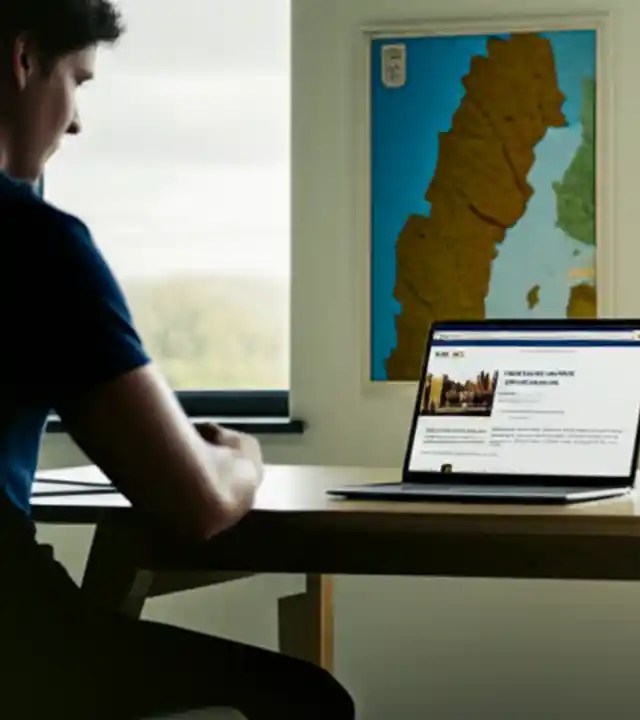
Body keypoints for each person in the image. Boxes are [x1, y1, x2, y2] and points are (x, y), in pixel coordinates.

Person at [0, 1, 355, 718]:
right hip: (15, 642)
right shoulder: (36, 246)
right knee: (308, 702)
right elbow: (195, 502)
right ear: (24, 57)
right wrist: (243, 459)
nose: (74, 122)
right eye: (78, 79)